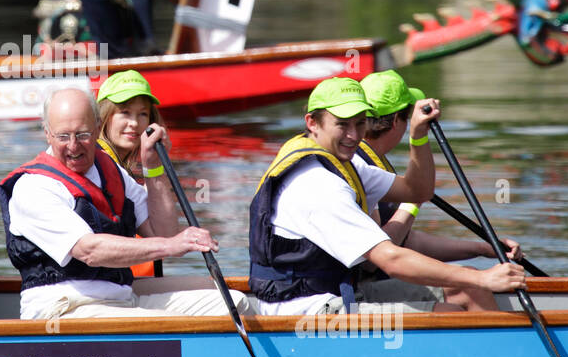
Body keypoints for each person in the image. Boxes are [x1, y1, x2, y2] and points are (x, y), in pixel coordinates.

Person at [246, 77, 526, 316]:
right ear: (312, 122)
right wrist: (483, 276)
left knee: (469, 288)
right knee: (454, 312)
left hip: (337, 289)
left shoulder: (344, 163)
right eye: (343, 125)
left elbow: (418, 191)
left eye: (360, 124)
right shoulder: (317, 185)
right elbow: (390, 258)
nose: (354, 135)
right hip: (304, 309)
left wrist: (417, 136)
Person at [0, 87, 246, 320]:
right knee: (166, 325)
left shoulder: (111, 171)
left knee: (236, 303)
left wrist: (153, 166)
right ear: (47, 133)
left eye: (83, 135)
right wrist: (170, 245)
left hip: (122, 297)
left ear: (97, 128)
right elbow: (90, 251)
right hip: (64, 307)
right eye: (63, 136)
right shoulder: (33, 187)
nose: (73, 146)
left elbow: (163, 232)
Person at [357, 69, 525, 262]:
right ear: (396, 121)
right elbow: (374, 258)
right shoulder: (360, 167)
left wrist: (485, 248)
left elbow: (407, 241)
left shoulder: (372, 160)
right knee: (468, 283)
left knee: (468, 276)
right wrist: (413, 200)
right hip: (356, 287)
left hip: (380, 275)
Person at [95, 69, 180, 277]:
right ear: (104, 116)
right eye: (125, 112)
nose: (134, 123)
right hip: (112, 289)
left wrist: (156, 165)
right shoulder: (99, 163)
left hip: (130, 284)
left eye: (142, 114)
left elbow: (166, 235)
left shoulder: (124, 172)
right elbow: (165, 239)